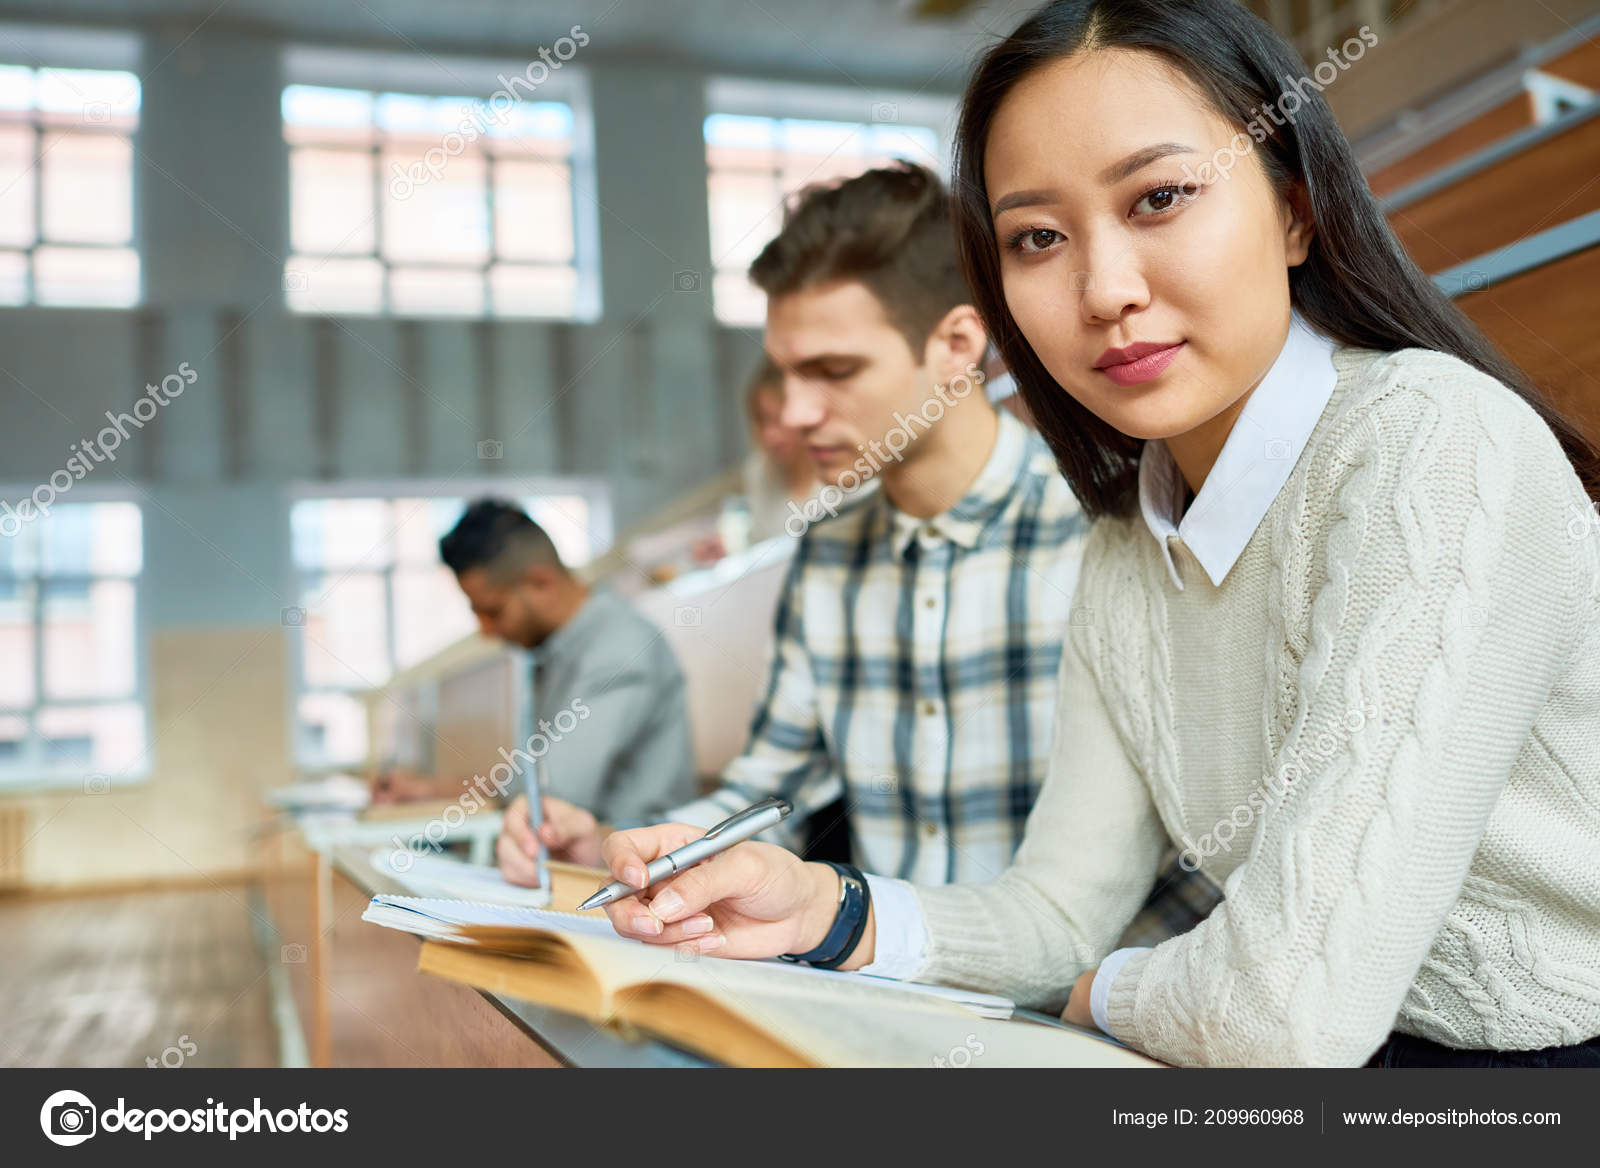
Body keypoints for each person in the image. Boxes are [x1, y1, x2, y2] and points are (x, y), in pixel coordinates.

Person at [587, 0, 1600, 1069]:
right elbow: (1057, 912)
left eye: (1159, 197)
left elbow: (1285, 1014)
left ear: (1294, 211)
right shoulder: (1129, 539)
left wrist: (1099, 991)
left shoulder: (1432, 440)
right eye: (1037, 237)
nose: (1104, 292)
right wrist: (820, 909)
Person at [501, 162, 1223, 951]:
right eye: (785, 372)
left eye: (834, 371)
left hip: (1092, 1027)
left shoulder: (1115, 528)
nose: (796, 411)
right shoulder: (830, 556)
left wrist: (1109, 1004)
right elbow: (769, 795)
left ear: (956, 344)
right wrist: (643, 851)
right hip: (889, 993)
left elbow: (1203, 850)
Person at [375, 499, 697, 828]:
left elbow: (552, 794)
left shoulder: (623, 648)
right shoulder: (555, 651)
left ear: (541, 582)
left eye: (494, 611)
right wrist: (427, 790)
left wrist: (436, 790)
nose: (486, 632)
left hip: (636, 865)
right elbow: (531, 783)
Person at [741, 356, 820, 544]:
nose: (770, 435)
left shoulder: (840, 474)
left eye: (778, 420)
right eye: (761, 421)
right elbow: (758, 545)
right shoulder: (759, 471)